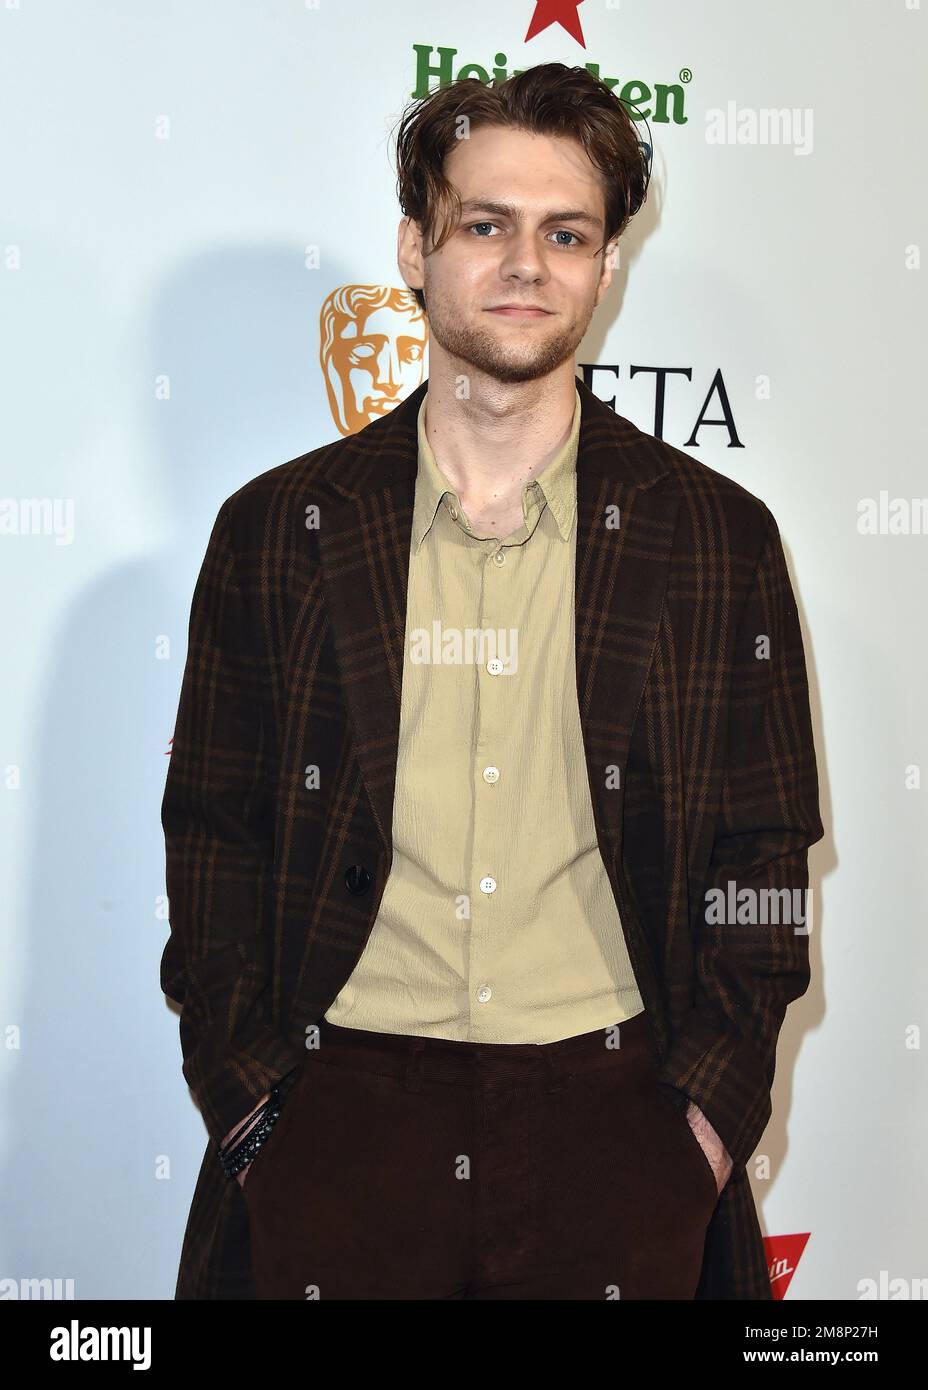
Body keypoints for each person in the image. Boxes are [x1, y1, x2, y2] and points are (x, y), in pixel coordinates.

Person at [161, 62, 824, 1300]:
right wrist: (256, 1112)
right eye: (485, 225)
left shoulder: (716, 539)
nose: (527, 264)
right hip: (337, 1117)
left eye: (565, 233)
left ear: (605, 267)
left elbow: (764, 854)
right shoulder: (277, 530)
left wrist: (704, 1124)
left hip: (621, 1123)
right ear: (415, 247)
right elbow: (211, 838)